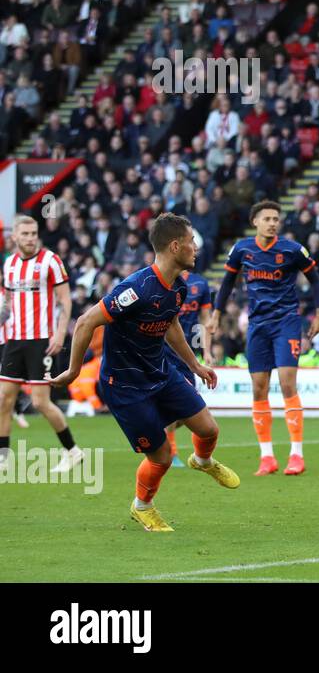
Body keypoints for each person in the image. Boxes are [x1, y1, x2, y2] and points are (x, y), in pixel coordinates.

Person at [47, 214, 239, 531]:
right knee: (161, 456)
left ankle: (202, 461)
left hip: (160, 372)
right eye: (191, 242)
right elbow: (84, 322)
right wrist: (72, 371)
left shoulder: (178, 287)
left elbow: (171, 325)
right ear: (175, 246)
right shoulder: (136, 289)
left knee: (208, 429)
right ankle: (143, 506)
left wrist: (195, 365)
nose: (195, 248)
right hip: (125, 386)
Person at [210, 201, 319, 476]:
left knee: (287, 383)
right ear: (255, 222)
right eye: (267, 219)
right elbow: (227, 283)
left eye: (276, 219)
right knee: (259, 388)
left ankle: (296, 455)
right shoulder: (242, 250)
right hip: (257, 326)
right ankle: (267, 457)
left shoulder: (292, 249)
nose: (273, 223)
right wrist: (216, 314)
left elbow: (315, 280)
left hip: (287, 322)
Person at [0, 216, 81, 474]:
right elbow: (8, 302)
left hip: (41, 341)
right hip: (14, 340)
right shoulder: (9, 264)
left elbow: (65, 300)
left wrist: (60, 334)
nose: (30, 238)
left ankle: (72, 451)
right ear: (15, 236)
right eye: (24, 234)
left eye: (33, 233)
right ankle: (2, 457)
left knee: (40, 402)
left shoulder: (50, 261)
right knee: (3, 399)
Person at [162, 268, 212, 467]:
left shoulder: (200, 284)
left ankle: (160, 430)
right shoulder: (163, 279)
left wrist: (206, 350)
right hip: (163, 351)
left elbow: (205, 319)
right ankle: (171, 453)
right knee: (175, 402)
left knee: (188, 409)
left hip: (187, 354)